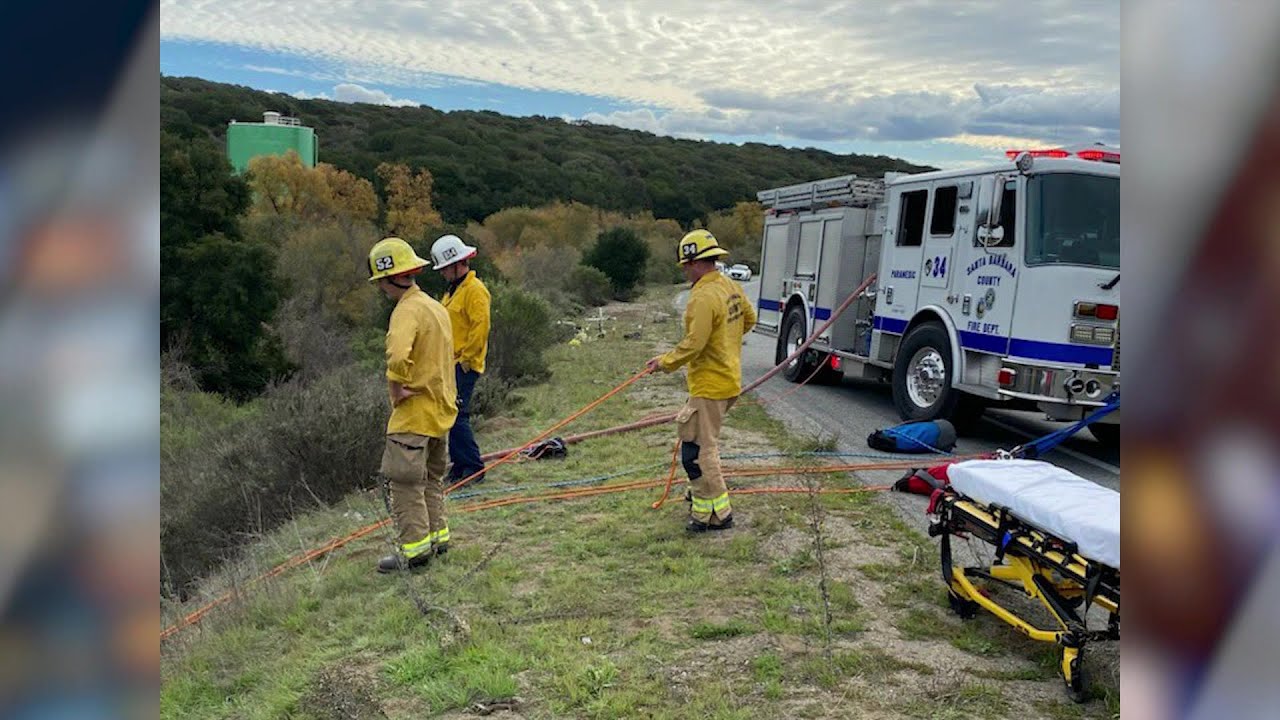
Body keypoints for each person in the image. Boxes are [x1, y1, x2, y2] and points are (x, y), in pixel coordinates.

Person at [647, 230, 756, 532]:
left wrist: (663, 363)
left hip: (710, 385)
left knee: (697, 451)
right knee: (699, 443)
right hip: (728, 381)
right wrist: (726, 343)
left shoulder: (702, 297)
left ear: (694, 262)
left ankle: (716, 514)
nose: (684, 270)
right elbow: (750, 319)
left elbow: (694, 344)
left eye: (685, 264)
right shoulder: (729, 285)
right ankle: (701, 496)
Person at [367, 237, 458, 573]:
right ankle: (438, 539)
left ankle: (415, 552)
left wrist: (396, 387)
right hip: (440, 411)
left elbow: (398, 354)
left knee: (404, 484)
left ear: (388, 279)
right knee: (432, 480)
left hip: (414, 415)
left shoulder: (406, 311)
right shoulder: (435, 306)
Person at [430, 234, 492, 486]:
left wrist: (467, 359)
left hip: (464, 364)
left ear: (458, 264)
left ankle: (473, 467)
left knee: (458, 415)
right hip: (449, 363)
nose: (443, 273)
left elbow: (480, 327)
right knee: (449, 415)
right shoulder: (453, 291)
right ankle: (460, 464)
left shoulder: (475, 291)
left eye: (445, 268)